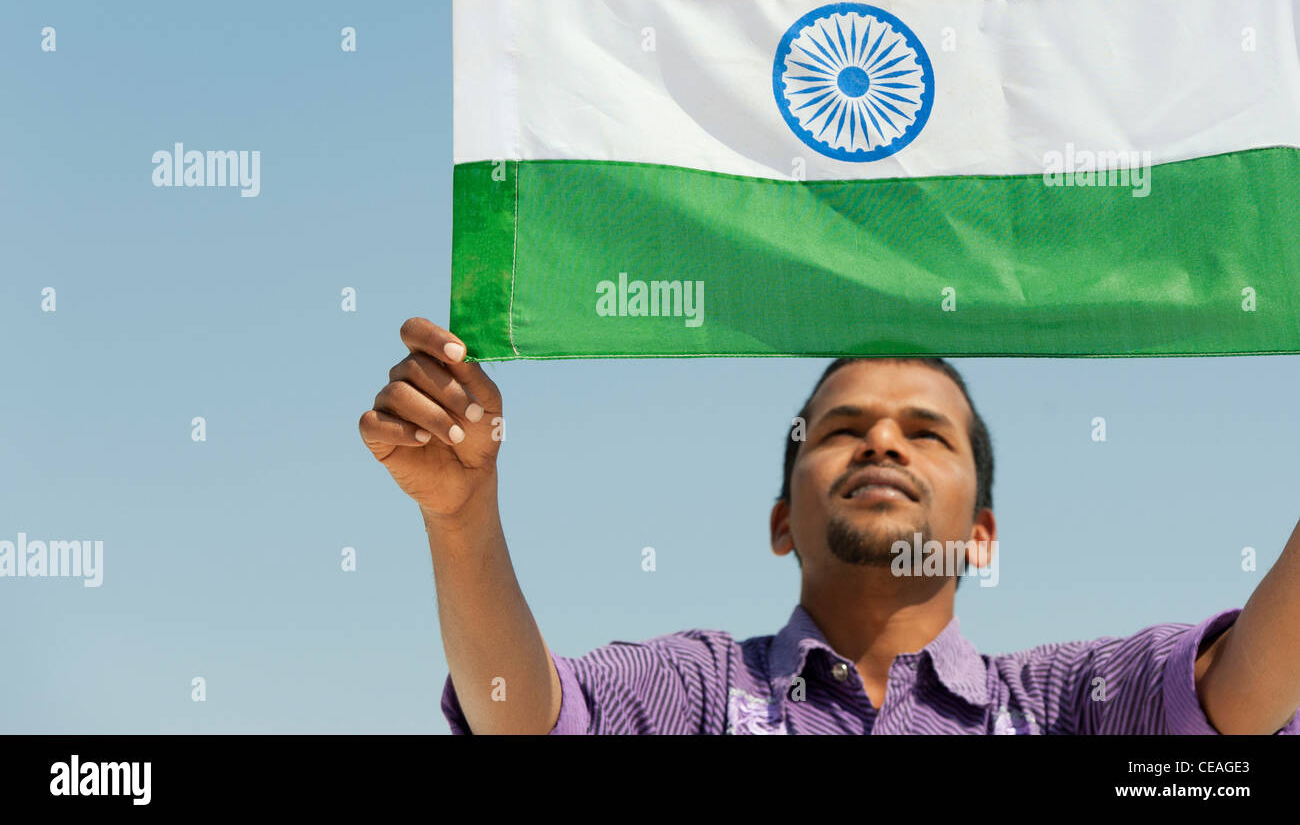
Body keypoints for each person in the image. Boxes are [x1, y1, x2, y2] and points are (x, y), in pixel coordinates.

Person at [359, 317, 1300, 735]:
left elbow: (1244, 693)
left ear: (981, 536)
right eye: (842, 429)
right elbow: (521, 719)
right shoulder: (698, 694)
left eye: (926, 433)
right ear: (782, 521)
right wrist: (461, 515)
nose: (881, 440)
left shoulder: (1062, 707)